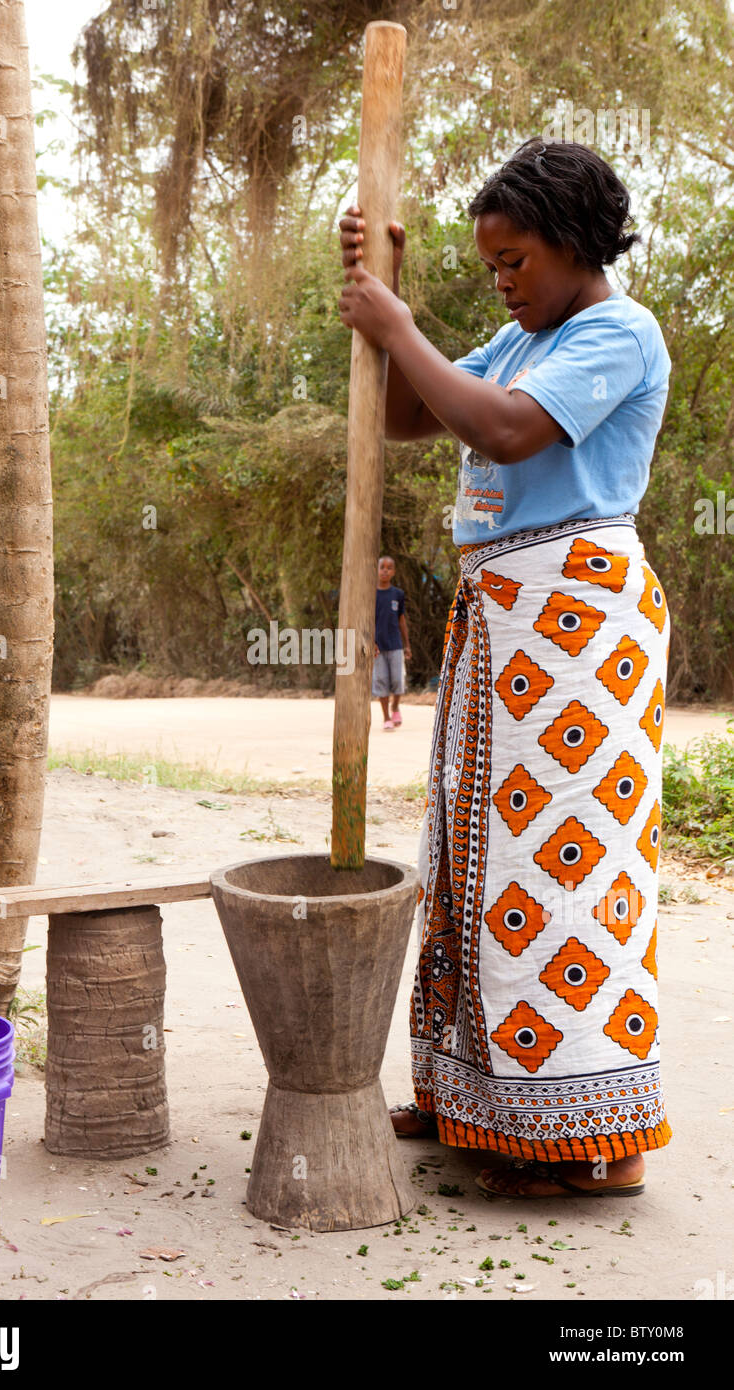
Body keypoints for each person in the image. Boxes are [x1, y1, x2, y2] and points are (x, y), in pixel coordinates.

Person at [338, 138, 672, 1198]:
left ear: (574, 245)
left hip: (573, 627)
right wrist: (377, 294)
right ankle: (479, 1104)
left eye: (514, 260)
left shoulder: (614, 332)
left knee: (561, 877)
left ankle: (588, 1137)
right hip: (503, 624)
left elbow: (505, 429)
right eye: (488, 266)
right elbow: (407, 415)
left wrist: (396, 323)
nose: (501, 281)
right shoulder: (515, 334)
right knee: (477, 865)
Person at [373, 555, 412, 729]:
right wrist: (369, 642)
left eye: (389, 568)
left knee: (398, 681)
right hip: (377, 647)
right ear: (377, 569)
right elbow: (366, 621)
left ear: (393, 572)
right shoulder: (371, 594)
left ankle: (395, 706)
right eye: (382, 567)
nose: (385, 570)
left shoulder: (398, 594)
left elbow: (401, 620)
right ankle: (386, 717)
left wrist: (407, 645)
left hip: (395, 644)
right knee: (381, 681)